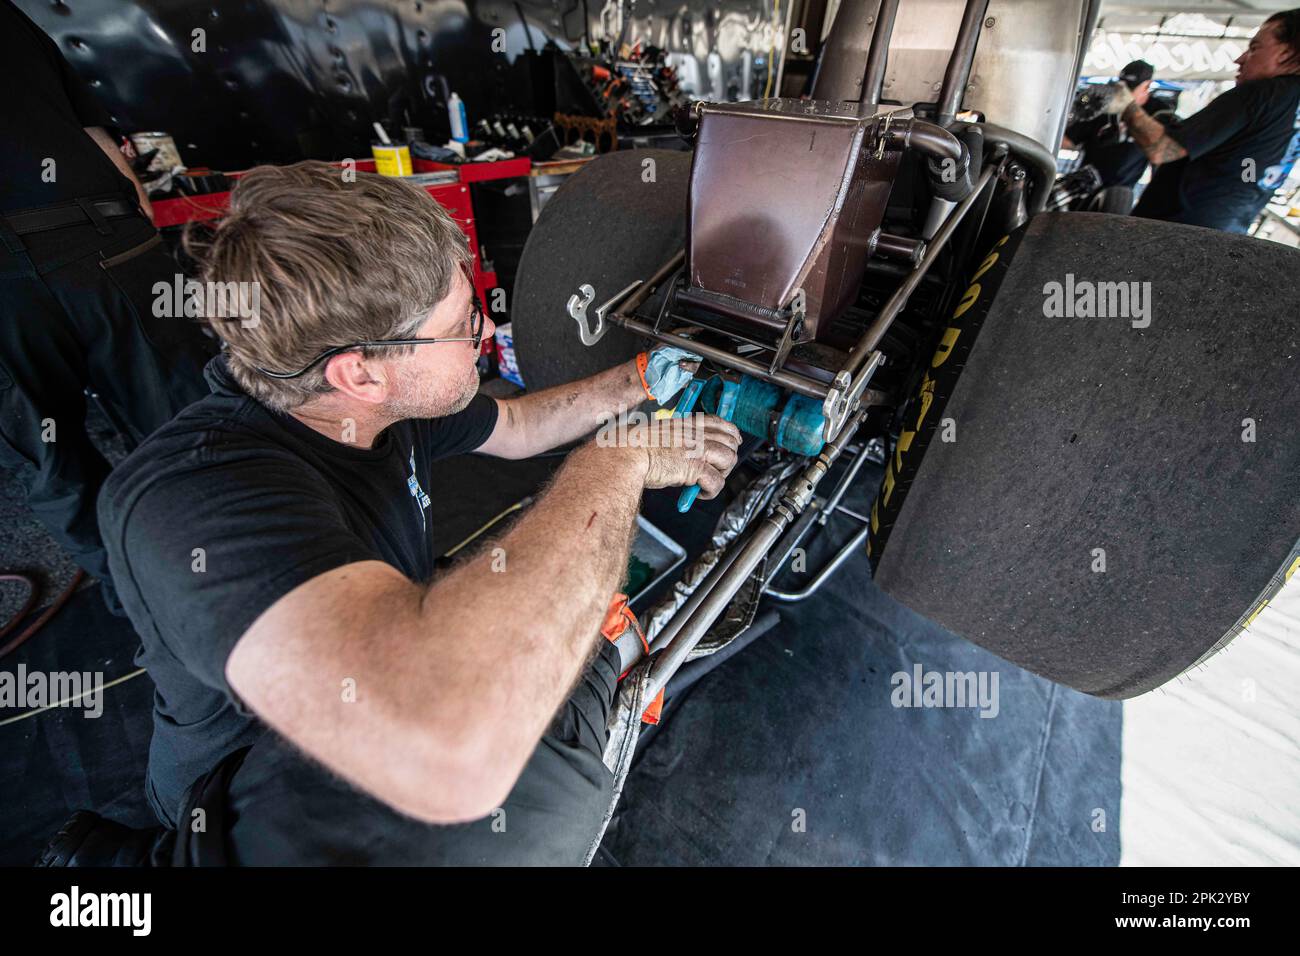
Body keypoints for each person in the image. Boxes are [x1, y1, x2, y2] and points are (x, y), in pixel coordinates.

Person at [96, 161, 741, 863]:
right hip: (253, 806)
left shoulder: (377, 406)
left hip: (374, 722)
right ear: (360, 372)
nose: (488, 330)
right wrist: (617, 462)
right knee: (527, 807)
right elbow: (449, 747)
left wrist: (637, 380)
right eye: (464, 324)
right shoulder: (193, 498)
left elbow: (521, 425)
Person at [0, 0, 215, 608]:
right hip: (99, 239)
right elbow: (98, 136)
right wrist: (136, 240)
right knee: (187, 420)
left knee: (52, 464)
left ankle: (153, 612)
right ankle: (248, 572)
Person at [1122, 9, 1300, 233]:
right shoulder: (1291, 106)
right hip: (1230, 233)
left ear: (1285, 53)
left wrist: (1125, 105)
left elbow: (1162, 149)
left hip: (1175, 232)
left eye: (1254, 49)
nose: (1240, 59)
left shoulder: (1257, 95)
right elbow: (1250, 168)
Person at [1062, 60, 1158, 192]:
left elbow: (1161, 154)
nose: (1124, 92)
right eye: (1122, 86)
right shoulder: (1105, 103)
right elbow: (1069, 139)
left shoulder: (1157, 111)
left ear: (1146, 86)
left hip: (1118, 194)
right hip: (1084, 185)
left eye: (1130, 88)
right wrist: (1080, 105)